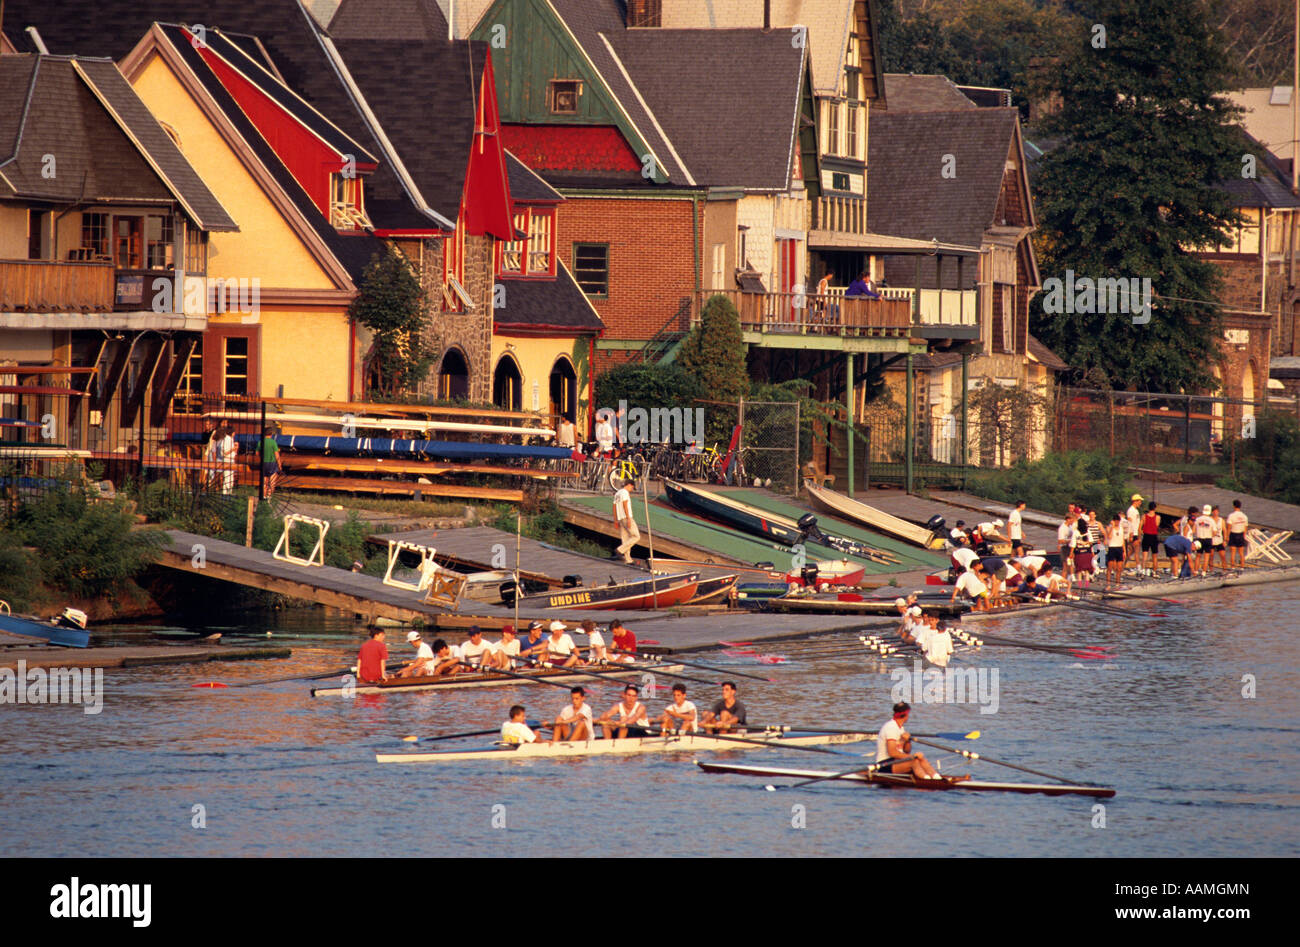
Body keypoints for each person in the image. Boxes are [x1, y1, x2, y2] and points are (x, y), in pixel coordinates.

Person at [874, 702, 944, 780]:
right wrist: (913, 756)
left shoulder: (901, 728)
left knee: (921, 759)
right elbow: (892, 752)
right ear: (906, 714)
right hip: (885, 764)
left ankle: (936, 777)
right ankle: (926, 780)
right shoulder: (891, 727)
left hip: (896, 762)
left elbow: (906, 751)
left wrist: (907, 741)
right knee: (914, 761)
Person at [613, 476, 639, 565]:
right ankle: (620, 550)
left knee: (625, 538)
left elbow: (614, 507)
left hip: (620, 518)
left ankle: (628, 559)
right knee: (636, 536)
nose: (632, 489)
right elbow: (625, 504)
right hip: (626, 517)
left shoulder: (618, 493)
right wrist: (628, 518)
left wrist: (615, 520)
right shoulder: (625, 493)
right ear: (629, 485)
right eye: (632, 487)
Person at [1192, 504, 1216, 576]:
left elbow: (1193, 530)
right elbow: (1214, 532)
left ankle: (1195, 571)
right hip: (1208, 539)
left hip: (1199, 538)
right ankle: (1204, 572)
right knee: (1206, 556)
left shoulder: (1198, 519)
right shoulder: (1211, 520)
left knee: (1198, 556)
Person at [1140, 501, 1162, 576]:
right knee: (1154, 556)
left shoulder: (1144, 516)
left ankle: (1143, 571)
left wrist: (1141, 534)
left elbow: (1140, 528)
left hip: (1146, 536)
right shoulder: (1158, 517)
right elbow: (1156, 525)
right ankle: (1154, 572)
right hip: (1153, 536)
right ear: (1155, 508)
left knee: (1144, 556)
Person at [1227, 499, 1249, 569]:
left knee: (1233, 553)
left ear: (1234, 506)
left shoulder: (1231, 516)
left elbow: (1229, 527)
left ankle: (1232, 568)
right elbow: (1245, 527)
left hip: (1233, 534)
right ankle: (1242, 567)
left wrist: (1227, 536)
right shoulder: (1244, 516)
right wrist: (1244, 536)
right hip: (1241, 534)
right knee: (1241, 553)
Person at [1105, 514, 1126, 588]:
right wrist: (1112, 527)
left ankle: (1118, 583)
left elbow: (1123, 540)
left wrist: (1124, 551)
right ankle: (1108, 584)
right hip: (1112, 548)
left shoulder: (1121, 528)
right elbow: (1109, 536)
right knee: (1110, 567)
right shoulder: (1109, 528)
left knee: (1119, 568)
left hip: (1119, 548)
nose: (1117, 523)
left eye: (1118, 521)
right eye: (1116, 521)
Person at [217, 424, 237, 495]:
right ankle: (225, 494)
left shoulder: (230, 439)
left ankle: (229, 493)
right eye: (234, 432)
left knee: (230, 478)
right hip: (227, 460)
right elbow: (225, 452)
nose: (235, 434)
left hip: (231, 460)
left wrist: (235, 449)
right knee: (227, 478)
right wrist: (233, 449)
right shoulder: (227, 439)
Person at [260, 426, 281, 497]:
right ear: (271, 434)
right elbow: (277, 455)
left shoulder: (260, 442)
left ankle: (264, 496)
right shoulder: (273, 442)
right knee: (272, 481)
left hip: (263, 463)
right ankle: (269, 497)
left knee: (264, 482)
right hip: (272, 463)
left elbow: (257, 453)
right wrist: (279, 465)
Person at [1057, 513, 1078, 580]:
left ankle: (1071, 577)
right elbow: (1060, 541)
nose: (1073, 522)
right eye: (1072, 520)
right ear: (1068, 519)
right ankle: (1062, 580)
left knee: (1071, 563)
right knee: (1065, 565)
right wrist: (1070, 540)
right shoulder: (1062, 528)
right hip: (1064, 548)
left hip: (1069, 547)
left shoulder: (1070, 527)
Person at [1125, 494, 1144, 567]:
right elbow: (1129, 523)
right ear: (1135, 501)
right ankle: (1139, 568)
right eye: (1139, 501)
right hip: (1133, 533)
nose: (1140, 503)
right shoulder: (1131, 510)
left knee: (1132, 551)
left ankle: (1122, 566)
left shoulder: (1136, 510)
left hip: (1136, 533)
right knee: (1136, 551)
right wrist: (1131, 534)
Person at [1210, 505, 1228, 572]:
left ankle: (1225, 570)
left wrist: (1225, 540)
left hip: (1219, 541)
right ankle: (1211, 570)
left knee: (1223, 556)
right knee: (1211, 557)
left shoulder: (1221, 520)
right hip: (1212, 541)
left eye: (1216, 511)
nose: (1215, 513)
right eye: (1214, 511)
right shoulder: (1210, 519)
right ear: (1212, 512)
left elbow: (1224, 530)